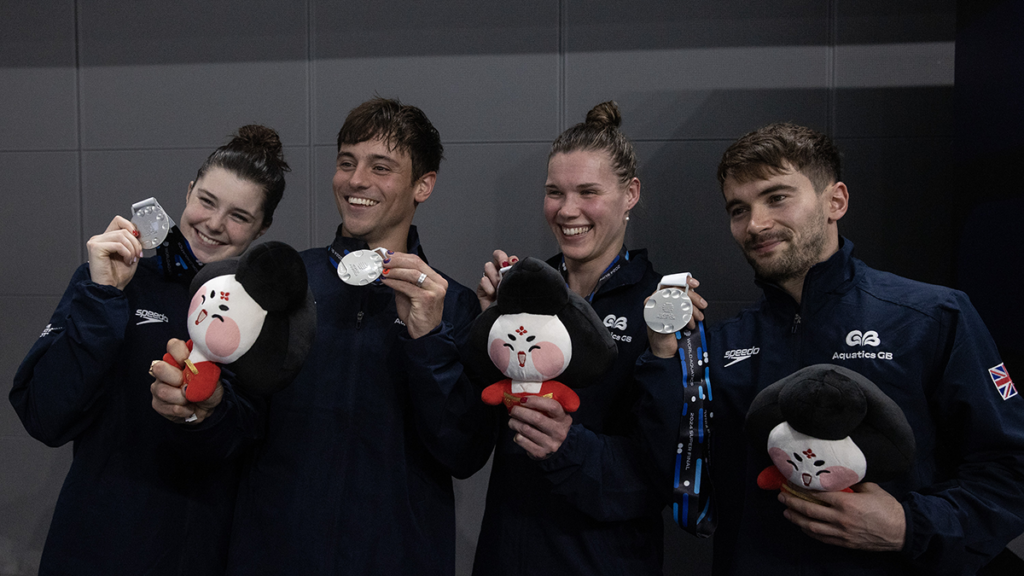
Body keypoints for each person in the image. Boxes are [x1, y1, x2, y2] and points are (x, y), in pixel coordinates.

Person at [640, 122, 1024, 574]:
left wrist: (908, 525)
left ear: (835, 201)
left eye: (777, 197)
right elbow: (670, 473)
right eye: (738, 209)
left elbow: (1010, 470)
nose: (756, 224)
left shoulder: (933, 317)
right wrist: (663, 356)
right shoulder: (722, 345)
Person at [197, 98, 495, 575]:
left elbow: (462, 453)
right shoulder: (285, 281)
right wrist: (203, 407)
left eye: (381, 167)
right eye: (346, 162)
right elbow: (237, 428)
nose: (357, 180)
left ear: (424, 185)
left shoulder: (454, 306)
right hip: (273, 555)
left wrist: (427, 341)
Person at [10, 125, 290, 576]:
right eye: (206, 201)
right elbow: (46, 415)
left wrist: (205, 410)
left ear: (263, 227)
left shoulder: (261, 314)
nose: (215, 223)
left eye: (239, 216)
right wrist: (103, 298)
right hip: (96, 548)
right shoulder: (117, 276)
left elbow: (252, 436)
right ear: (188, 191)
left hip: (202, 551)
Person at [473, 101, 708, 575]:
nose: (567, 210)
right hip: (507, 551)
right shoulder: (520, 293)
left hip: (604, 560)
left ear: (630, 194)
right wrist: (485, 331)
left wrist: (568, 445)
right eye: (554, 192)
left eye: (587, 192)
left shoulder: (663, 309)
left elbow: (662, 474)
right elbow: (471, 435)